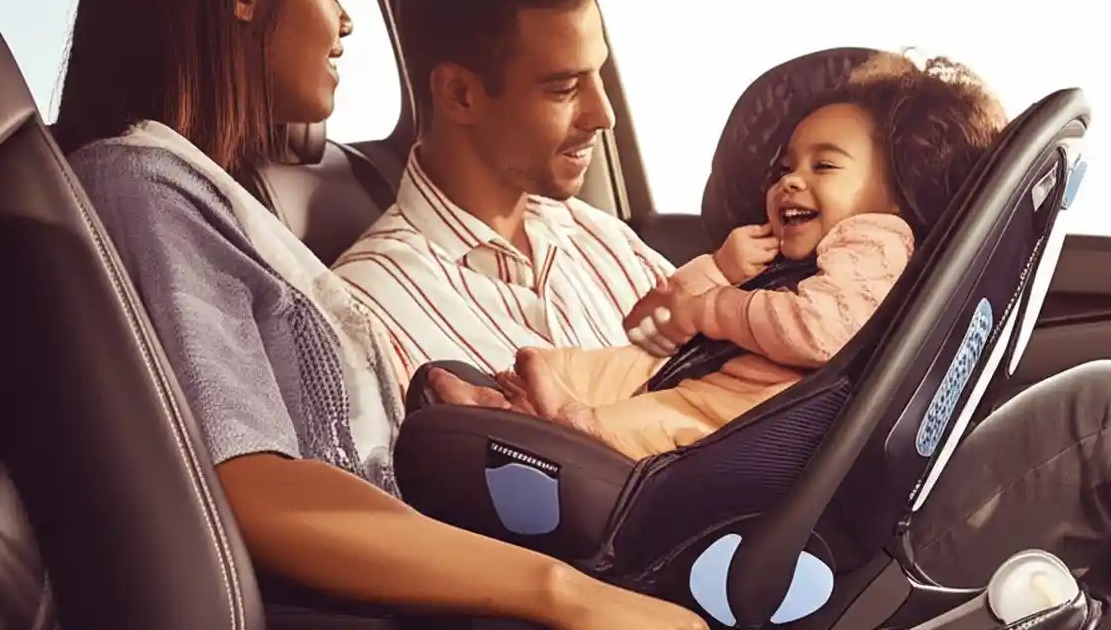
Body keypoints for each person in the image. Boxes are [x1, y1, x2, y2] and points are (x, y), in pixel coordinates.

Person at [54, 0, 705, 628]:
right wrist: (570, 596)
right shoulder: (138, 180)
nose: (346, 21)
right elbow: (247, 480)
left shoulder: (210, 200)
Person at [423, 53, 1006, 460]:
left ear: (899, 191)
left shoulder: (877, 243)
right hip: (700, 380)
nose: (790, 183)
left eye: (823, 167)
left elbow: (821, 330)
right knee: (609, 364)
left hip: (741, 422)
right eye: (784, 169)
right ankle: (506, 401)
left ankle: (544, 429)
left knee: (647, 422)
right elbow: (645, 331)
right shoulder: (775, 255)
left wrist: (718, 307)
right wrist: (716, 273)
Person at [332, 0, 671, 381]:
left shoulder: (607, 244)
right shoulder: (369, 312)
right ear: (460, 95)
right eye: (565, 88)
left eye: (598, 76)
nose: (603, 115)